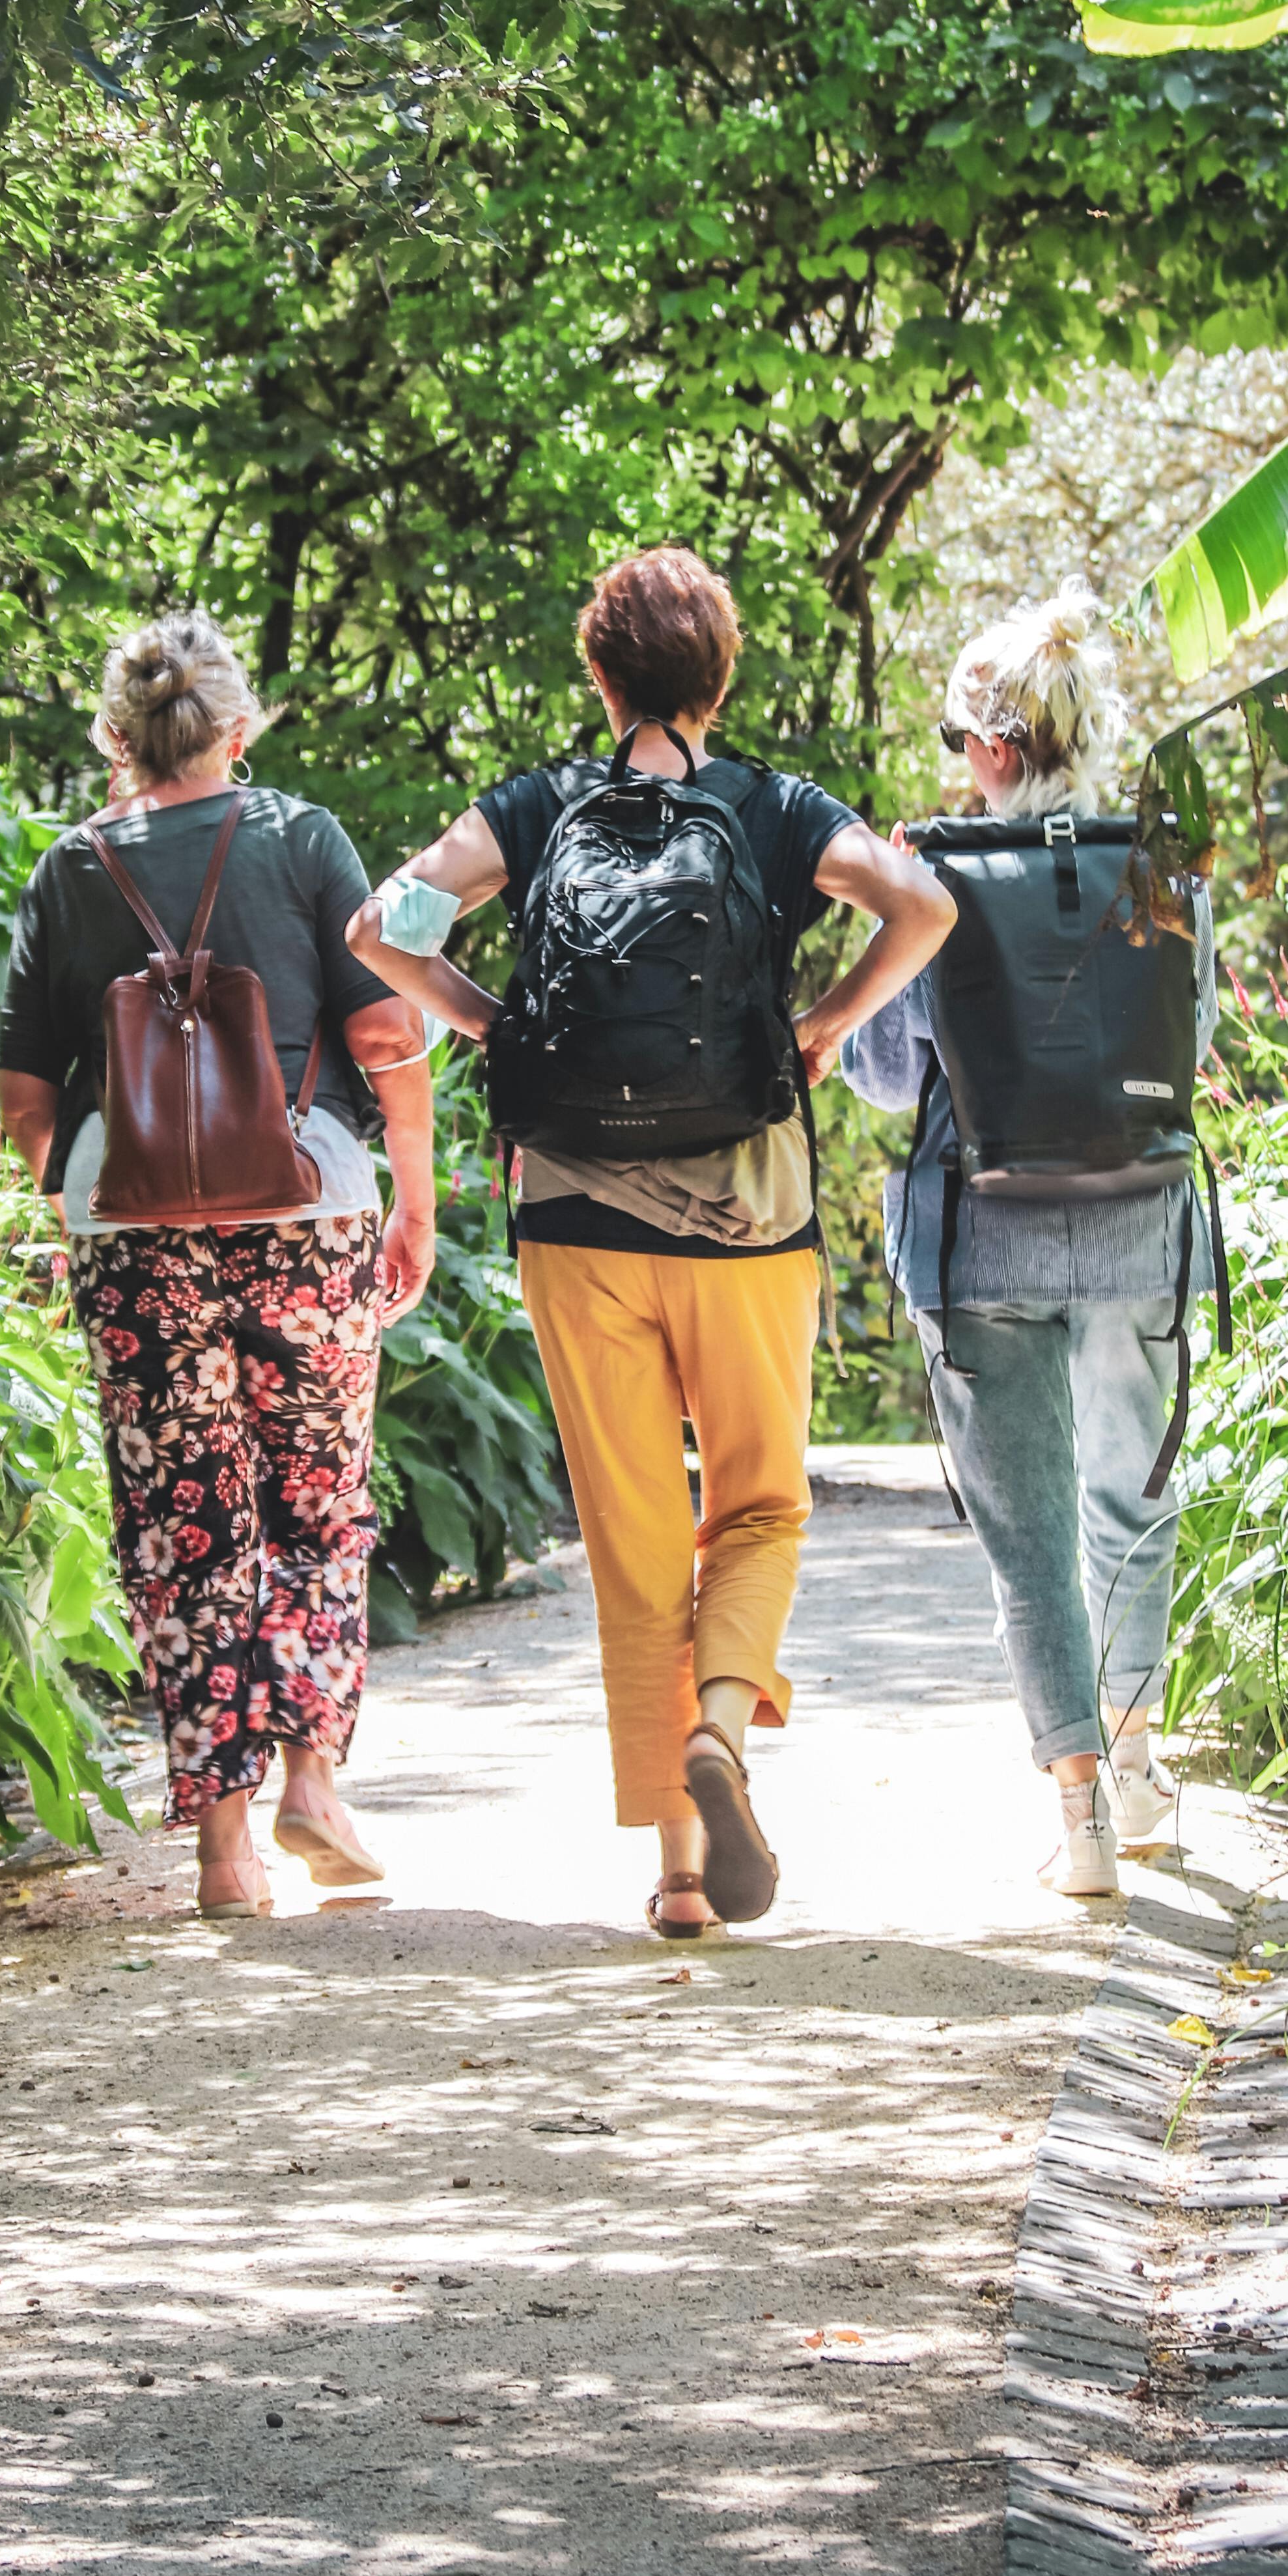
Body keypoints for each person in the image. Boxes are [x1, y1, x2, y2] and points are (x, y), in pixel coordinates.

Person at [348, 546, 953, 1938]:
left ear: (601, 676)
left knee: (636, 1535)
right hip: (746, 1212)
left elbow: (379, 929)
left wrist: (495, 1024)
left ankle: (680, 1873)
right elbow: (924, 907)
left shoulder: (536, 808)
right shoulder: (774, 808)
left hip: (574, 1214)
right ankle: (720, 1729)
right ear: (718, 680)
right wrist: (825, 1023)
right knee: (759, 1505)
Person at [0, 613, 436, 1922]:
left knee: (181, 1517)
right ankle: (314, 1784)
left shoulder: (70, 869)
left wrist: (86, 1203)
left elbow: (23, 1092)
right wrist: (413, 1198)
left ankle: (225, 1854)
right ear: (238, 731)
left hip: (131, 1233)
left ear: (114, 738)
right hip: (307, 1207)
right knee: (317, 1496)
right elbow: (385, 1033)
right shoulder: (301, 838)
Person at [840, 587, 1217, 1897]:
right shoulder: (1159, 865)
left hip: (978, 1234)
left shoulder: (931, 880)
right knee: (1130, 1494)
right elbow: (1188, 1042)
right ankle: (1139, 1760)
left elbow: (884, 1075)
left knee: (1027, 1538)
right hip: (1136, 1224)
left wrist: (887, 917)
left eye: (959, 741)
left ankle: (1081, 1822)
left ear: (994, 749)